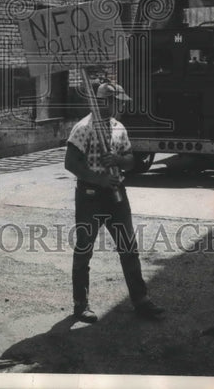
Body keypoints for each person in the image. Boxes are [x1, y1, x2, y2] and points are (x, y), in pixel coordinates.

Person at [65, 81, 165, 322]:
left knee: (128, 248)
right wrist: (98, 180)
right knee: (84, 249)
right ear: (105, 102)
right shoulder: (83, 128)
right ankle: (80, 304)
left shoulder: (119, 127)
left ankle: (141, 300)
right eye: (118, 102)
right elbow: (71, 163)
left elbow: (131, 160)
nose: (120, 106)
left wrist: (118, 160)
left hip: (117, 195)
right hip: (90, 196)